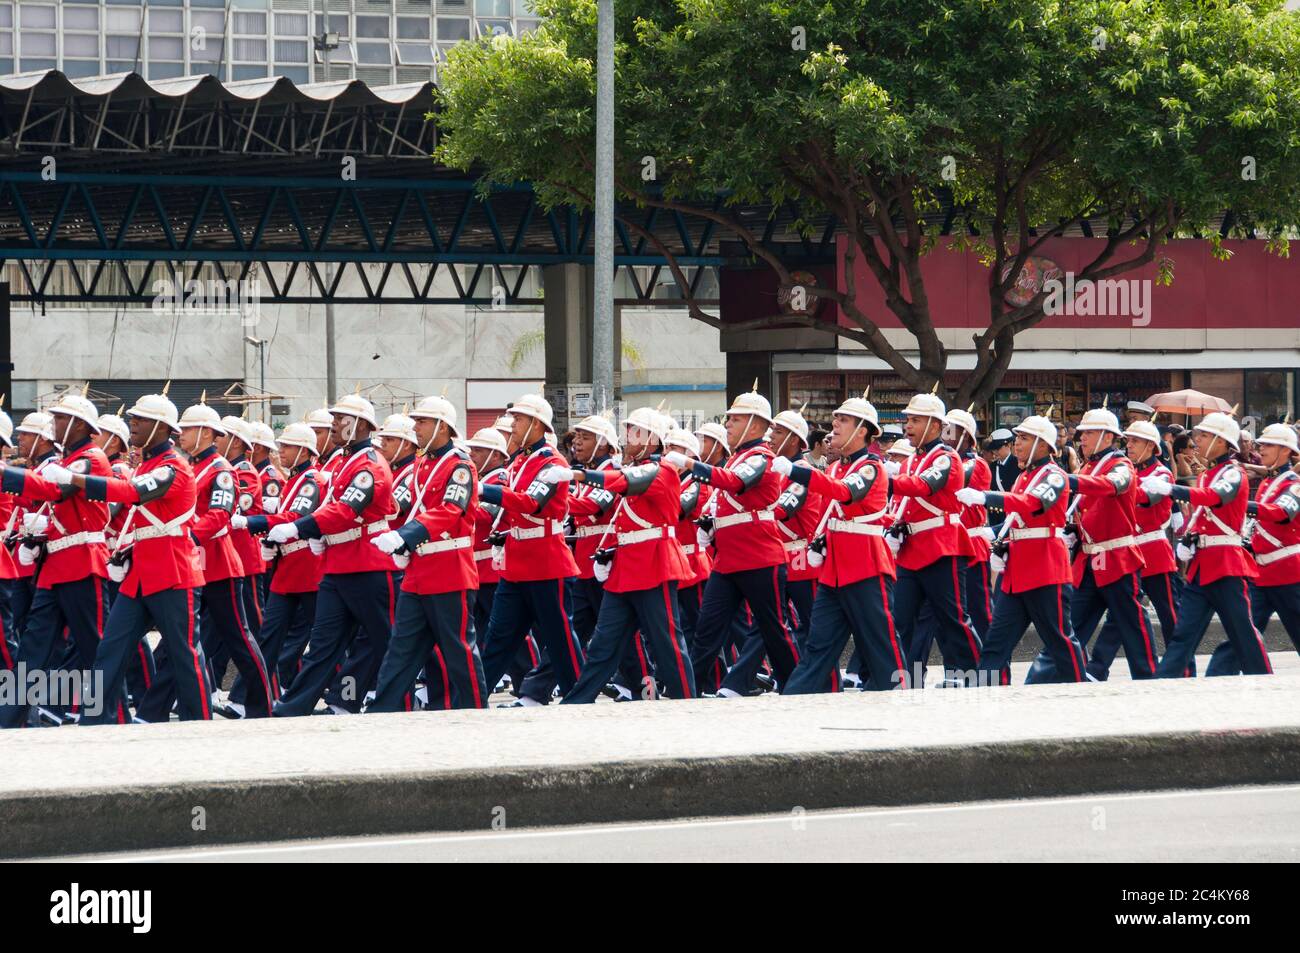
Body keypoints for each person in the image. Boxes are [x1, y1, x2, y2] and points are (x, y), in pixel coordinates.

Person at [55, 392, 211, 724]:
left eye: (140, 420)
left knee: (184, 655)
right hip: (140, 574)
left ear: (160, 427)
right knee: (109, 650)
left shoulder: (174, 467)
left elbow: (132, 493)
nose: (133, 424)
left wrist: (75, 479)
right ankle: (94, 720)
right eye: (134, 419)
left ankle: (201, 725)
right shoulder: (151, 464)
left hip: (172, 572)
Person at [140, 401, 273, 721]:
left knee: (239, 640)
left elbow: (219, 515)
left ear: (206, 433)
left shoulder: (222, 470)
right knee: (180, 642)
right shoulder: (191, 466)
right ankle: (152, 711)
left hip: (218, 567)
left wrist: (187, 539)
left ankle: (261, 704)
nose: (180, 434)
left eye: (186, 429)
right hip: (192, 567)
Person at [268, 394, 400, 716]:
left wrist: (301, 528)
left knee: (384, 641)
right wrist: (320, 535)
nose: (336, 423)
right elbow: (331, 509)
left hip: (367, 563)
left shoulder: (370, 464)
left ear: (362, 425)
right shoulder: (344, 463)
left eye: (342, 418)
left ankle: (385, 700)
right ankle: (297, 706)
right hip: (338, 563)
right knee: (324, 645)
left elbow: (346, 509)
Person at [666, 388, 802, 693]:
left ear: (755, 425)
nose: (727, 424)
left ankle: (797, 684)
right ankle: (687, 689)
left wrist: (690, 466)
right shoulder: (737, 458)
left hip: (760, 556)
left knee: (773, 629)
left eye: (735, 419)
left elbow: (736, 483)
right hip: (728, 558)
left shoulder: (762, 457)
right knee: (707, 628)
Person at [557, 407, 696, 703]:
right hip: (626, 567)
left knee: (667, 644)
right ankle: (576, 702)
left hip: (655, 563)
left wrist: (578, 474)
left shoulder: (662, 469)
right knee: (603, 645)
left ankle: (687, 703)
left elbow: (623, 481)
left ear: (651, 439)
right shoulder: (635, 467)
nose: (628, 437)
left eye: (636, 431)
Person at [368, 395, 489, 712]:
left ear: (442, 426)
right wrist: (401, 541)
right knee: (401, 651)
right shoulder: (423, 464)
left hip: (449, 570)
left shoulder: (460, 466)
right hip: (418, 572)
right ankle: (382, 713)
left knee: (458, 651)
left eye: (422, 422)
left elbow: (450, 510)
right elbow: (409, 507)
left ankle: (478, 713)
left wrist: (405, 536)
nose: (415, 427)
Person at [0, 392, 113, 729]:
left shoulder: (90, 458)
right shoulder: (69, 460)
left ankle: (113, 715)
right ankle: (9, 719)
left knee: (95, 647)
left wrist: (5, 473)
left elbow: (56, 491)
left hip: (83, 560)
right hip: (58, 564)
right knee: (32, 647)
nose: (54, 424)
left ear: (79, 424)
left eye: (61, 419)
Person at [778, 395, 904, 693]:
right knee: (817, 647)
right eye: (836, 418)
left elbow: (846, 493)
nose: (835, 424)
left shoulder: (872, 467)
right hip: (834, 568)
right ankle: (792, 703)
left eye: (844, 420)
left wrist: (796, 470)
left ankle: (900, 702)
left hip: (866, 566)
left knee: (881, 644)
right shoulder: (835, 467)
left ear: (863, 430)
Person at [1025, 407, 1158, 683]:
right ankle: (1045, 680)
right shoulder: (1088, 466)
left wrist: (1068, 479)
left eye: (1090, 433)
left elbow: (1112, 485)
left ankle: (1149, 680)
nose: (1082, 438)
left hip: (1118, 558)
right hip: (1090, 562)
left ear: (1108, 437)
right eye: (1082, 433)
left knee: (1133, 625)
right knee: (1069, 627)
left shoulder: (1122, 466)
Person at [957, 413, 1089, 685]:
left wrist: (986, 497)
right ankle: (986, 693)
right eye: (1018, 438)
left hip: (1045, 568)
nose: (1017, 444)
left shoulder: (1054, 476)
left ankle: (1079, 691)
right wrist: (990, 534)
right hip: (1016, 572)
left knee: (1060, 640)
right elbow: (1016, 520)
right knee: (996, 641)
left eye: (1024, 438)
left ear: (1043, 445)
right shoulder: (1024, 476)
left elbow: (1031, 504)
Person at [1140, 411, 1273, 676]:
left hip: (1226, 565)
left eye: (1204, 436)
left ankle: (1265, 682)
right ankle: (1163, 685)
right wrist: (1190, 537)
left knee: (1242, 632)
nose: (1196, 440)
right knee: (1182, 635)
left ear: (1221, 441)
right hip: (1203, 565)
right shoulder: (1208, 474)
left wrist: (1172, 489)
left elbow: (1214, 497)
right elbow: (1205, 514)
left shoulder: (1234, 473)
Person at [476, 394, 587, 701]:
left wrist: (486, 489)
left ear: (537, 424)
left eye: (520, 419)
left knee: (559, 639)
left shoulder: (552, 463)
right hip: (517, 563)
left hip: (546, 562)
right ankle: (472, 697)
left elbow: (531, 503)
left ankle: (579, 698)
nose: (513, 425)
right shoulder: (521, 461)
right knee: (499, 637)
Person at [884, 392, 981, 687]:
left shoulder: (946, 457)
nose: (907, 426)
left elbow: (926, 486)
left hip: (942, 546)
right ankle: (907, 677)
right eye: (908, 420)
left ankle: (971, 675)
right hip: (912, 548)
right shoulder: (913, 460)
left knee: (952, 617)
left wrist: (885, 478)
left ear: (935, 426)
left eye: (915, 420)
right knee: (901, 618)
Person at [1081, 418, 1189, 679]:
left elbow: (1144, 497)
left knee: (1169, 616)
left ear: (1152, 446)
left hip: (1152, 552)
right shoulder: (1124, 468)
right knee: (1121, 616)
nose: (1129, 445)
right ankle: (1098, 668)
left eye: (1136, 441)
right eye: (1128, 440)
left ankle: (1183, 670)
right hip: (1127, 552)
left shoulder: (1161, 473)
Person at [235, 423, 323, 704]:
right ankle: (246, 698)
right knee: (268, 638)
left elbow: (295, 517)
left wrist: (253, 522)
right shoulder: (296, 479)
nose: (280, 451)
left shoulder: (312, 481)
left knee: (325, 641)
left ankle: (345, 694)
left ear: (303, 451)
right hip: (289, 568)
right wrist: (270, 542)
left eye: (286, 446)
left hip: (308, 569)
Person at [1202, 423, 1300, 674]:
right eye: (1261, 444)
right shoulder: (1269, 483)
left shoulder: (1294, 483)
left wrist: (1242, 503)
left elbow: (1282, 513)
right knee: (1240, 632)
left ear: (1286, 451)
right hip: (1262, 574)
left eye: (1268, 445)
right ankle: (1217, 678)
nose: (1261, 448)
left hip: (1289, 575)